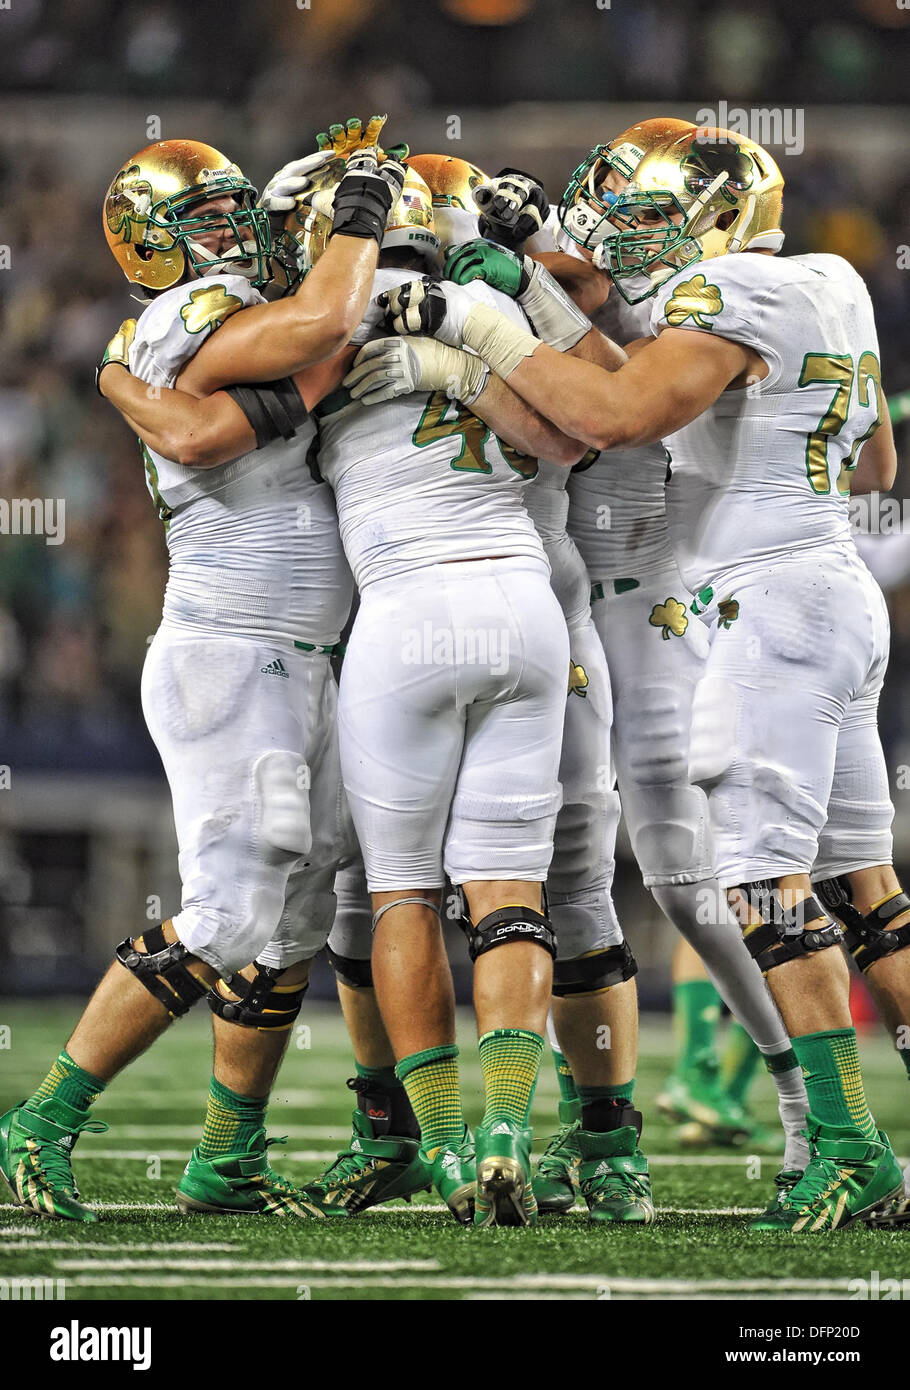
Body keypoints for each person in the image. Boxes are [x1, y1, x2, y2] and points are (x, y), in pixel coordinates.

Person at [377, 120, 909, 1232]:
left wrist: (480, 318)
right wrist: (534, 277)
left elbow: (611, 412)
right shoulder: (833, 278)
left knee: (753, 876)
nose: (615, 229)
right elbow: (877, 465)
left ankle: (837, 1137)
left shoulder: (724, 298)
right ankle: (820, 1132)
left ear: (714, 221)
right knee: (870, 893)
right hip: (824, 579)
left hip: (743, 593)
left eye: (646, 214)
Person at [0, 122, 406, 1222]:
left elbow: (309, 346)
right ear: (150, 244)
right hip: (233, 649)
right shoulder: (183, 316)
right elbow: (319, 323)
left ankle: (228, 1156)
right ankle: (40, 1121)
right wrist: (363, 210)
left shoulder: (224, 319)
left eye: (237, 210)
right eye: (208, 218)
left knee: (295, 919)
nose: (234, 231)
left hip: (301, 653)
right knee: (227, 919)